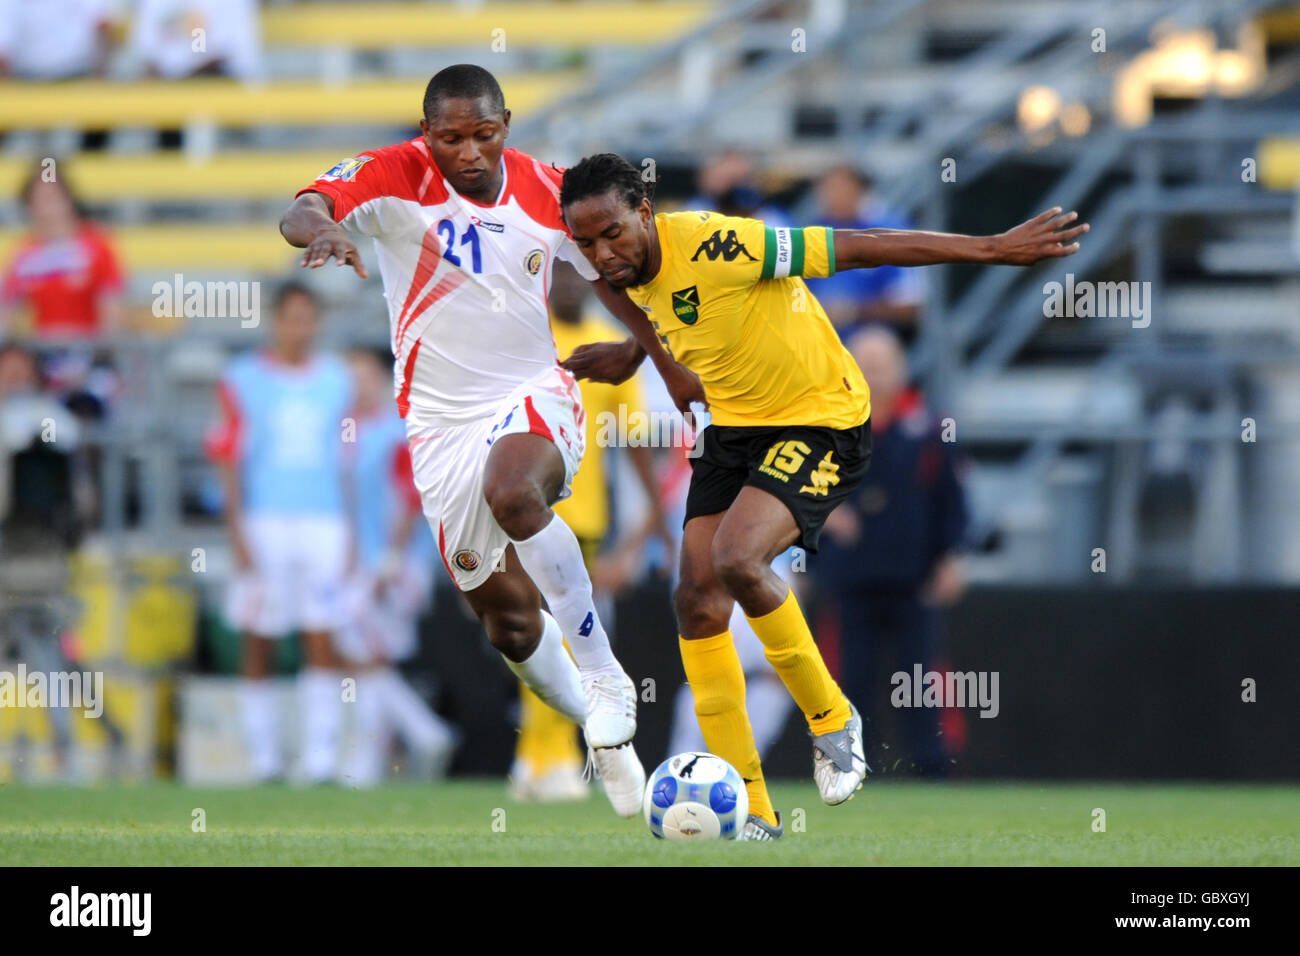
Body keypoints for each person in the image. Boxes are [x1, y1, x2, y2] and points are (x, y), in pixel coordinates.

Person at [558, 152, 1087, 839]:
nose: (601, 253)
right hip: (735, 426)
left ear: (646, 213)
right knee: (693, 598)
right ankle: (751, 810)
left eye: (612, 234)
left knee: (738, 559)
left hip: (821, 418)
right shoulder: (615, 265)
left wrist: (988, 247)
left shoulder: (723, 242)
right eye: (585, 242)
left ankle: (834, 720)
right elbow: (645, 300)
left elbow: (859, 248)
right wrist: (644, 354)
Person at [276, 65, 694, 816]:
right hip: (438, 425)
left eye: (484, 134)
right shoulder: (392, 174)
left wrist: (651, 351)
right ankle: (609, 742)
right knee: (506, 620)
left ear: (507, 125)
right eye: (451, 137)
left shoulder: (551, 191)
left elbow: (628, 265)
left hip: (533, 393)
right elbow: (302, 209)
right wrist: (329, 228)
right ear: (427, 130)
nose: (468, 152)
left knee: (513, 492)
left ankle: (604, 674)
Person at [509, 260, 669, 802]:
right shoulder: (527, 341)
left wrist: (655, 530)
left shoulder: (610, 345)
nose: (574, 284)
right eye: (563, 275)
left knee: (573, 641)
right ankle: (545, 759)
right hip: (525, 511)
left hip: (585, 519)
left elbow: (638, 445)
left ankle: (541, 761)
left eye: (582, 275)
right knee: (534, 632)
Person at [205, 282, 354, 784]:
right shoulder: (242, 378)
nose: (300, 328)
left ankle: (319, 760)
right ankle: (263, 757)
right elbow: (227, 458)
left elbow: (345, 463)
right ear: (275, 321)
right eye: (291, 318)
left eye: (308, 318)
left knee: (321, 634)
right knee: (259, 637)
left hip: (324, 520)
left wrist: (352, 531)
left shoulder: (337, 380)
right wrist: (236, 528)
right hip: (264, 520)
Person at [818, 326, 970, 775]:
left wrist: (953, 557)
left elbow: (953, 497)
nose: (873, 374)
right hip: (849, 575)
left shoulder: (930, 428)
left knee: (922, 677)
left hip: (914, 576)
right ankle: (845, 766)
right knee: (848, 677)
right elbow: (795, 486)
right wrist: (822, 515)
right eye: (863, 364)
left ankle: (933, 766)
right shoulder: (828, 427)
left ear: (902, 368)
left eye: (881, 364)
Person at [336, 347, 457, 787]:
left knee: (362, 657)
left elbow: (411, 494)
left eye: (364, 376)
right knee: (369, 662)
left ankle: (414, 738)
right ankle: (410, 741)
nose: (357, 386)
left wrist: (392, 556)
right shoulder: (351, 432)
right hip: (369, 561)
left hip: (395, 563)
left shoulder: (395, 430)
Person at [1, 167, 125, 341]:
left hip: (90, 350)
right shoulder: (24, 254)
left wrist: (102, 354)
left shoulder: (96, 246)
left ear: (67, 199)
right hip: (43, 355)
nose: (46, 208)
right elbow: (6, 312)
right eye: (37, 200)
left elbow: (113, 312)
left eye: (51, 198)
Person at [804, 164, 924, 334]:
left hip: (868, 332)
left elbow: (909, 306)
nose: (830, 196)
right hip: (815, 331)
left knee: (873, 347)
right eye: (826, 189)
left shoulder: (889, 233)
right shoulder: (814, 230)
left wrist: (852, 311)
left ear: (859, 190)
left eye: (838, 188)